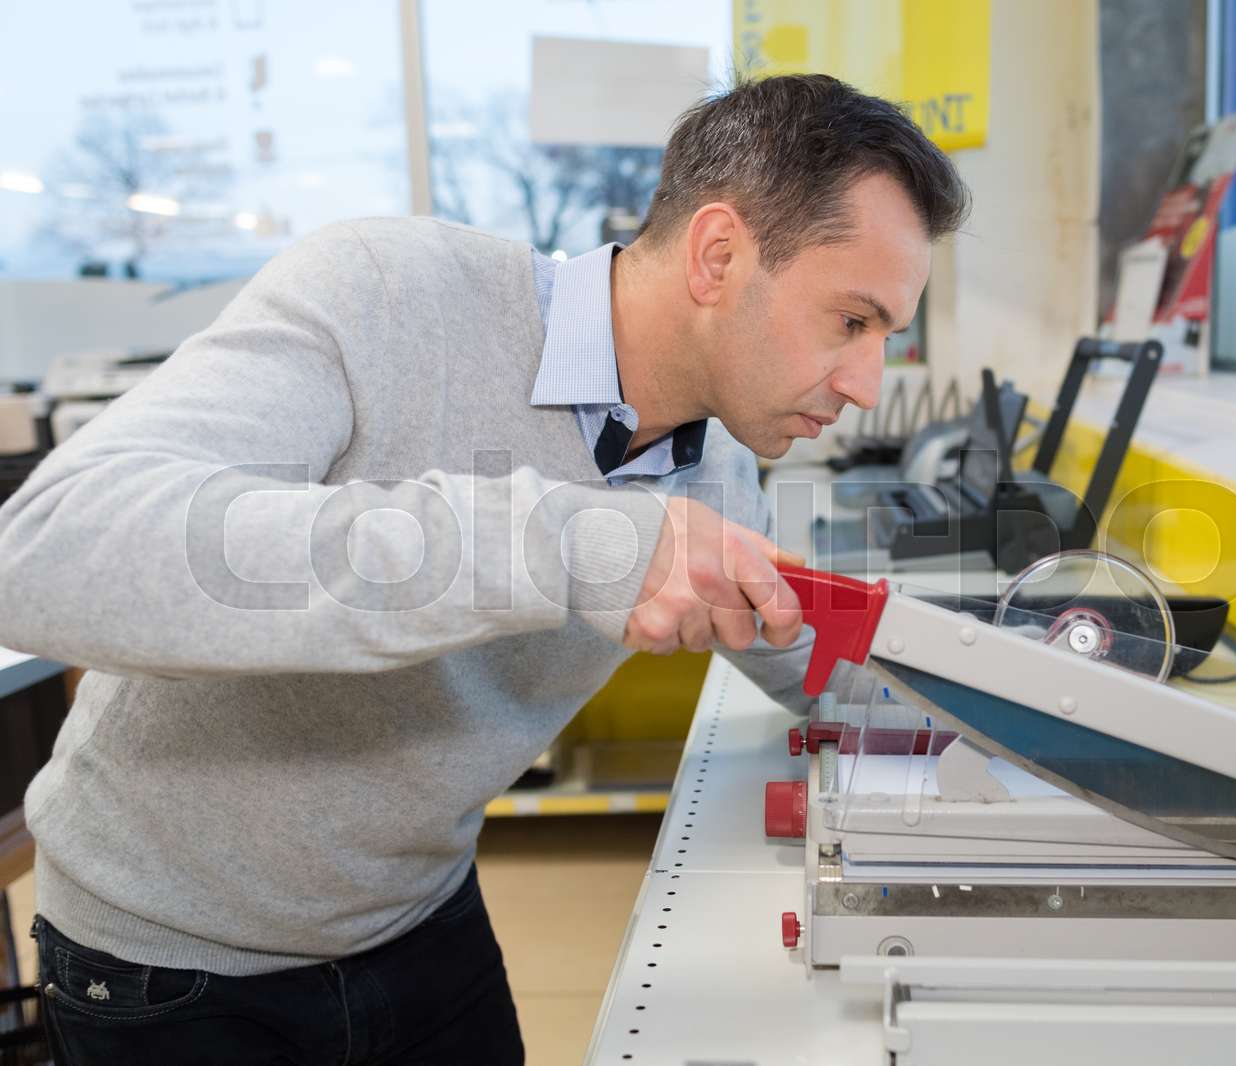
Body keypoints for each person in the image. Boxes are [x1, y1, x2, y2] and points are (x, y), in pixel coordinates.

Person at [0, 74, 968, 1063]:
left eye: (886, 336)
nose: (866, 384)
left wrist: (1026, 698)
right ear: (719, 255)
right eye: (851, 321)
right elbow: (45, 551)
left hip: (419, 917)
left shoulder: (716, 477)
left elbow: (826, 663)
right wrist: (572, 543)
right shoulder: (388, 291)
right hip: (166, 965)